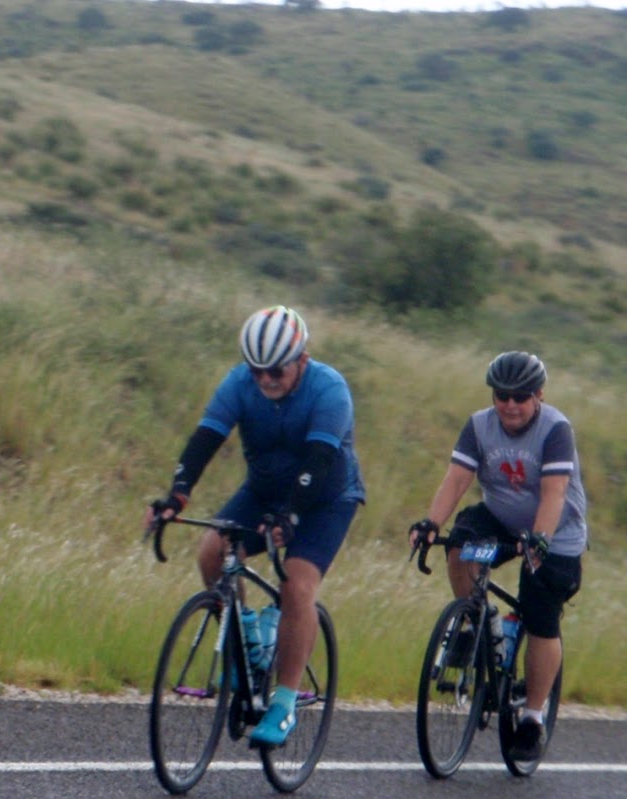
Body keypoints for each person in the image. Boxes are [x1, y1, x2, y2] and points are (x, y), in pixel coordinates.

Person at [145, 305, 365, 747]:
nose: (266, 379)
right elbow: (205, 440)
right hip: (262, 493)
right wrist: (177, 495)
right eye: (257, 369)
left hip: (324, 500)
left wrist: (292, 517)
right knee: (212, 552)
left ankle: (283, 704)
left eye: (276, 371)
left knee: (296, 587)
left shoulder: (330, 390)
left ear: (301, 359)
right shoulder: (239, 384)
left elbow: (318, 462)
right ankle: (247, 641)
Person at [407, 351, 586, 763]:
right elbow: (457, 478)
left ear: (538, 395)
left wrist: (538, 540)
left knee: (540, 615)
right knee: (459, 544)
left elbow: (554, 492)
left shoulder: (556, 429)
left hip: (554, 531)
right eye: (501, 395)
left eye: (519, 397)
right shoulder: (478, 426)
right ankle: (476, 619)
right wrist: (432, 523)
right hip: (501, 517)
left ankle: (532, 719)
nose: (509, 404)